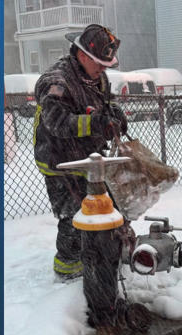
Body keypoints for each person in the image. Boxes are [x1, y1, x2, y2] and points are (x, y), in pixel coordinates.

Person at [32, 24, 128, 282]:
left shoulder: (97, 76)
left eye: (107, 64)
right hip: (59, 160)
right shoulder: (56, 82)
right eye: (99, 62)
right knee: (73, 215)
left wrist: (114, 114)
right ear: (83, 54)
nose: (104, 69)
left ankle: (106, 254)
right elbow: (58, 123)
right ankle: (68, 271)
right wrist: (96, 123)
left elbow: (103, 103)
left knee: (107, 208)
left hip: (89, 158)